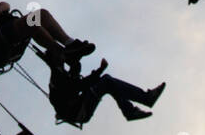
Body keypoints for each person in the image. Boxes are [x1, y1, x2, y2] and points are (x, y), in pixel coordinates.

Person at [37, 45, 165, 126]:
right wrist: (100, 69)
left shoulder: (59, 74)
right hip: (78, 111)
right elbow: (81, 85)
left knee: (110, 84)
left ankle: (134, 107)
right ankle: (137, 105)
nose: (63, 56)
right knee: (107, 81)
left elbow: (76, 80)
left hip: (78, 108)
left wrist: (76, 62)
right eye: (60, 54)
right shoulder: (58, 77)